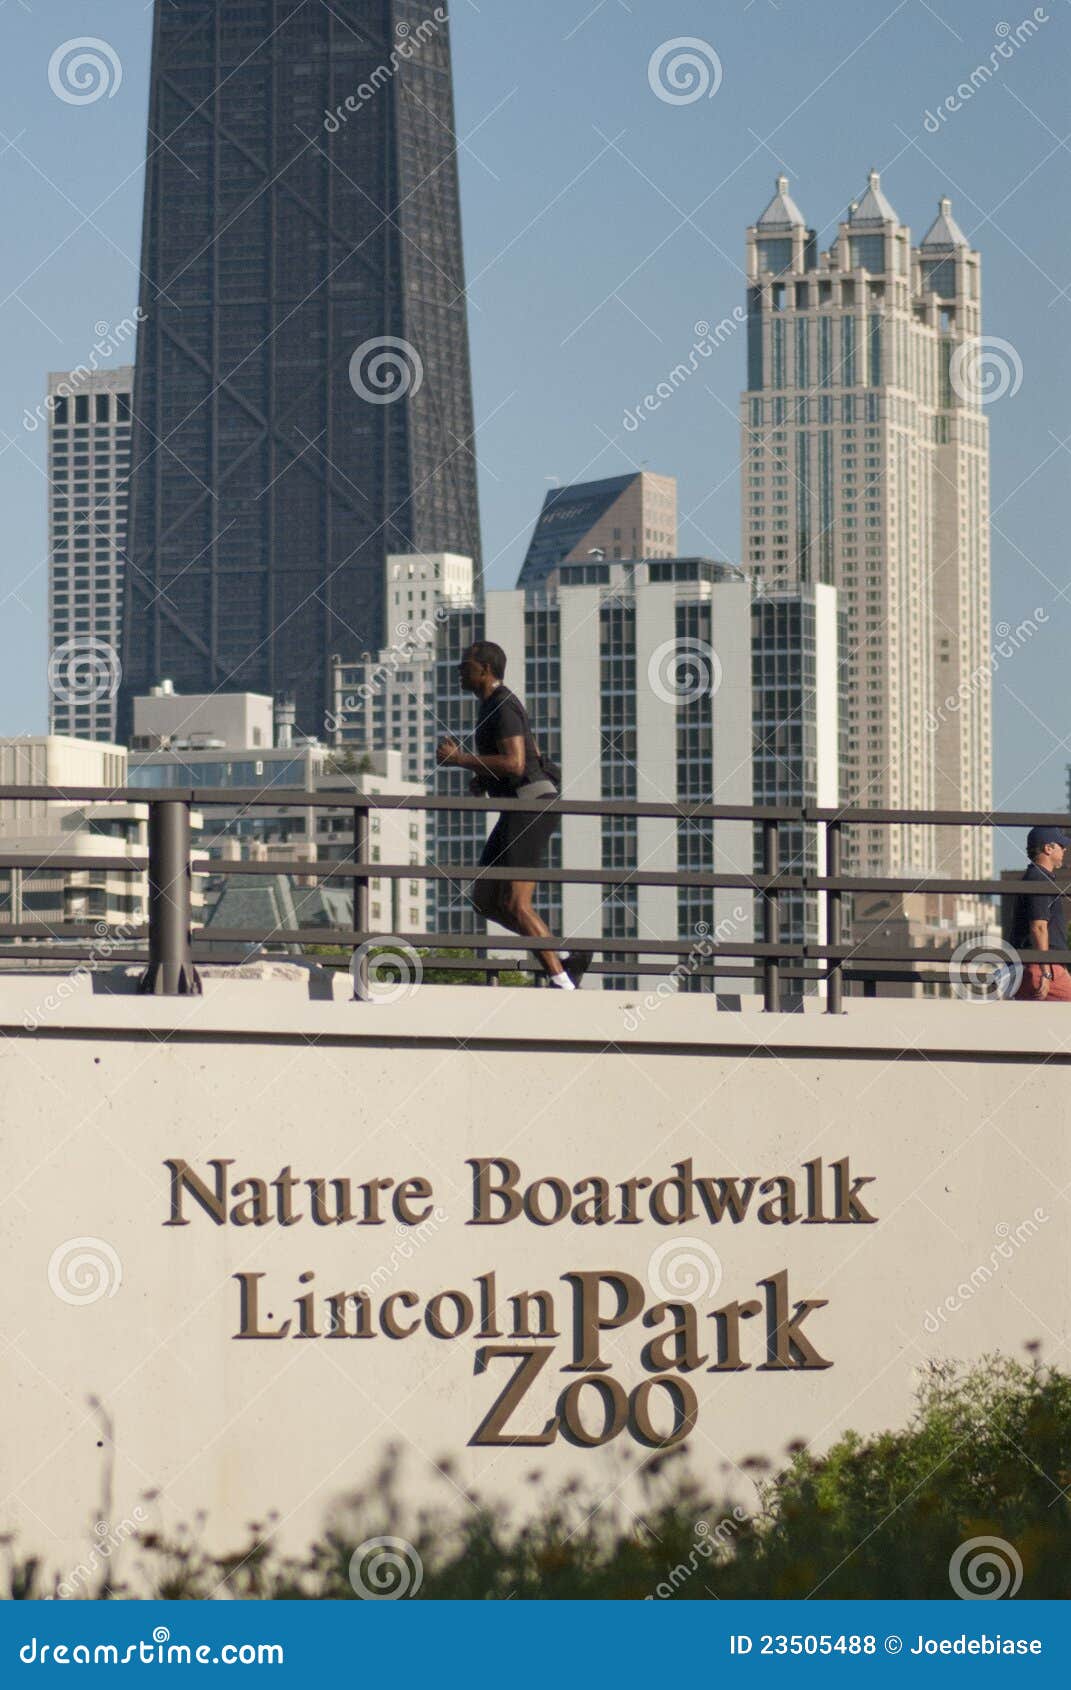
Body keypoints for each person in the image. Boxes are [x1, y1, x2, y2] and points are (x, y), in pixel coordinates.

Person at [436, 642, 590, 990]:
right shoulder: (491, 706)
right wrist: (482, 778)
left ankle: (562, 981)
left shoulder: (502, 704)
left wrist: (461, 760)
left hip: (531, 807)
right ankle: (563, 959)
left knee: (516, 903)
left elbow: (517, 763)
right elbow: (521, 759)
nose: (459, 671)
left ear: (485, 670)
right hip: (516, 808)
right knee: (486, 900)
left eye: (466, 666)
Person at [1011, 825, 1071, 1002]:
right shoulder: (1039, 878)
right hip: (1041, 966)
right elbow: (1039, 927)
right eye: (1061, 845)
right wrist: (1046, 973)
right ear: (1048, 848)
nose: (1065, 849)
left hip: (1038, 965)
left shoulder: (1035, 877)